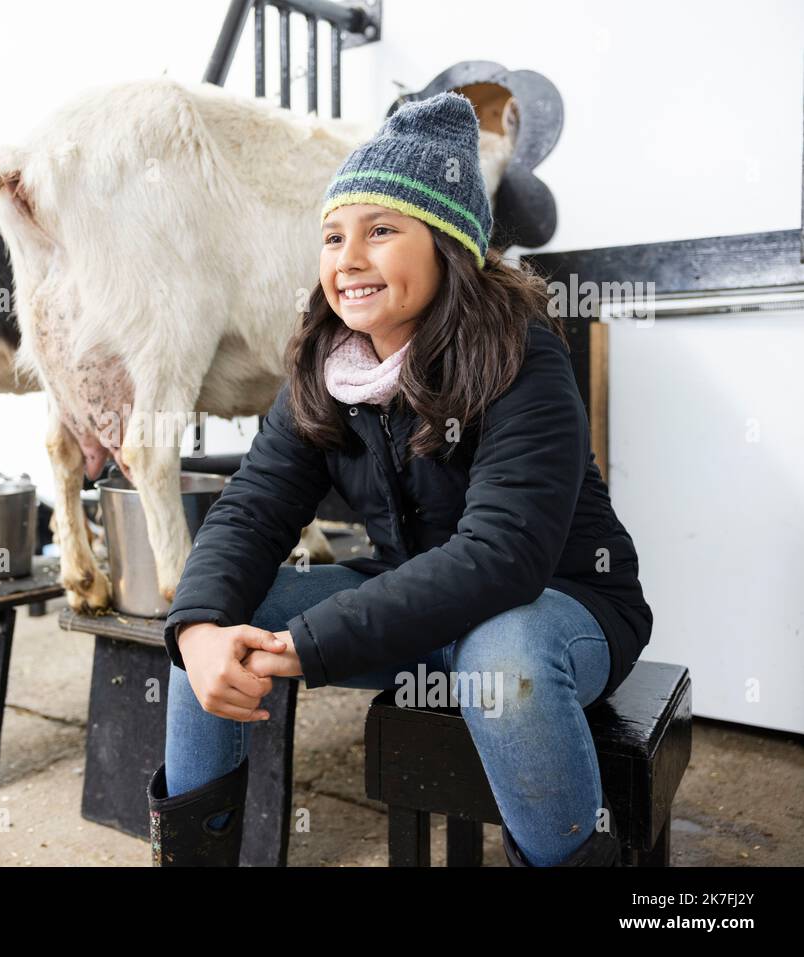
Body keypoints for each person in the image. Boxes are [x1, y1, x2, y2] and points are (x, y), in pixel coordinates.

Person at [148, 92, 653, 866]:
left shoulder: (521, 355)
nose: (348, 258)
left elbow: (503, 556)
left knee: (503, 658)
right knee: (214, 624)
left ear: (449, 245)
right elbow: (250, 511)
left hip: (555, 604)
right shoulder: (326, 370)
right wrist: (199, 624)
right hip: (414, 601)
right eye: (333, 236)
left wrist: (314, 643)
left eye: (381, 231)